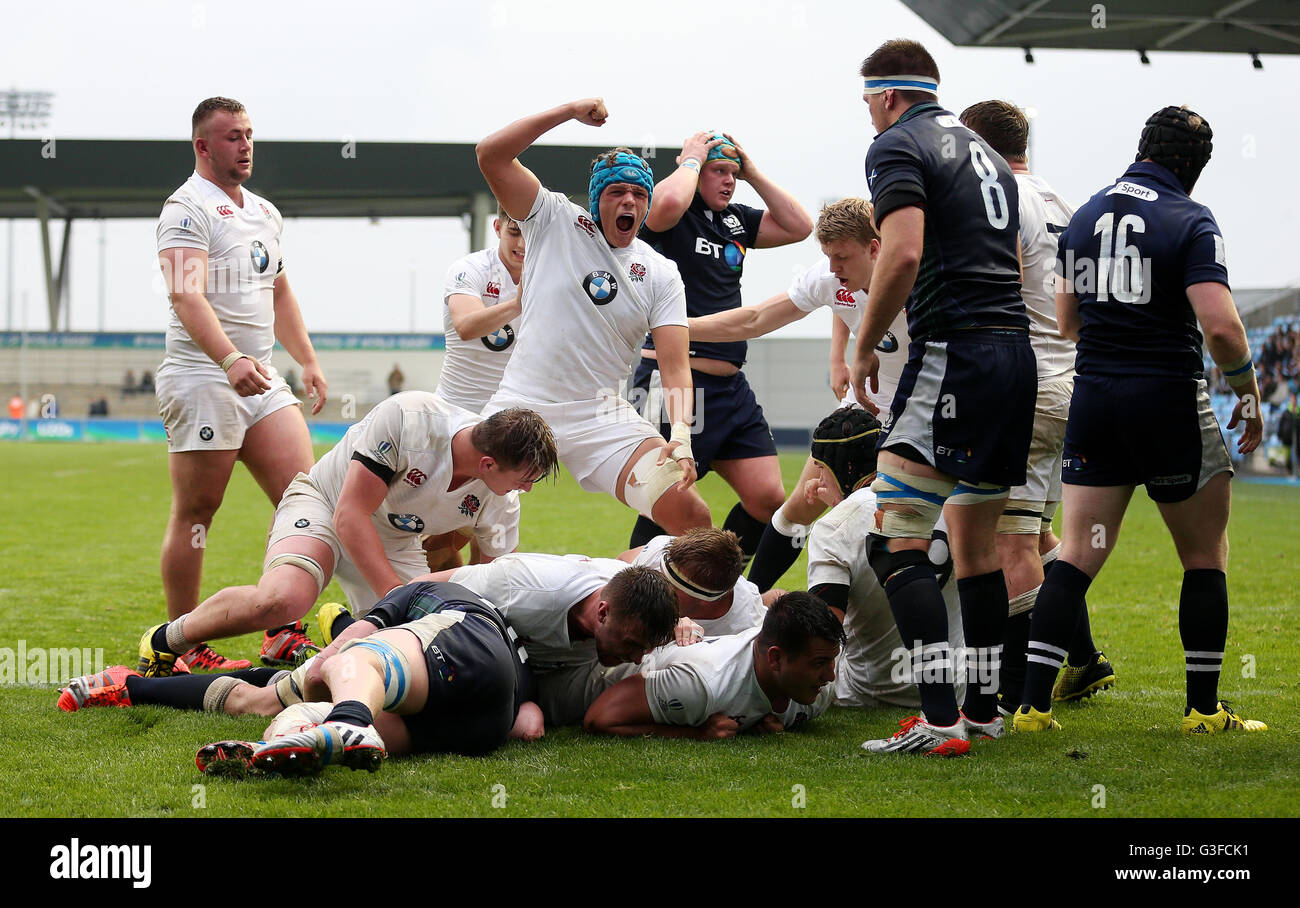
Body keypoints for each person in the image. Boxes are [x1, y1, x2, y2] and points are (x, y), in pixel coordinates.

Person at [1014, 106, 1268, 736]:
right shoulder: (1191, 219)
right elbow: (1221, 327)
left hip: (1095, 398)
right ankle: (1203, 713)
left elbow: (1068, 322)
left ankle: (1033, 708)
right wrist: (1248, 389)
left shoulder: (1082, 218)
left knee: (1074, 554)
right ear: (1193, 165)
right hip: (1168, 401)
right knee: (1204, 557)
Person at [850, 40, 1036, 756]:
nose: (868, 114)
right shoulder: (986, 151)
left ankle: (939, 719)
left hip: (954, 351)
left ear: (889, 95)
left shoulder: (897, 143)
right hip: (1011, 354)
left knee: (895, 541)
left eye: (868, 100)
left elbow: (900, 252)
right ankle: (983, 709)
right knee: (975, 547)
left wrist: (867, 343)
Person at [134, 394, 557, 677]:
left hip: (394, 537)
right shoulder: (411, 419)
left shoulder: (502, 500)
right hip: (325, 503)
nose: (527, 488)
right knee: (284, 600)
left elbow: (489, 584)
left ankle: (337, 635)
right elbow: (350, 515)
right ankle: (166, 638)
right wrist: (398, 598)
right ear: (487, 464)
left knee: (421, 649)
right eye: (525, 478)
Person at [475, 97, 712, 537]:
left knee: (692, 519)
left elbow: (676, 367)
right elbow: (491, 154)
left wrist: (681, 433)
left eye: (639, 194)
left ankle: (657, 603)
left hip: (599, 416)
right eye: (616, 192)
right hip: (520, 404)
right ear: (596, 197)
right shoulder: (554, 219)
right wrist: (568, 113)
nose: (629, 201)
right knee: (448, 521)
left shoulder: (661, 273)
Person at [155, 97, 328, 672]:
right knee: (198, 512)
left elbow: (278, 292)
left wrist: (305, 359)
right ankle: (183, 645)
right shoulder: (185, 208)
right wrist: (228, 359)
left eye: (249, 134)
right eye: (232, 137)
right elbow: (185, 295)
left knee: (303, 496)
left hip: (260, 374)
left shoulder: (265, 212)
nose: (246, 145)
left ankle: (283, 631)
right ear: (203, 146)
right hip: (205, 375)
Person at [959, 100, 1114, 707]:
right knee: (1042, 537)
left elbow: (995, 284)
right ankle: (1082, 659)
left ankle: (1022, 694)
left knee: (1011, 544)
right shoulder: (1061, 202)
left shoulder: (999, 200)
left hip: (1029, 384)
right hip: (1072, 380)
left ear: (978, 147)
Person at [63, 581, 544, 774]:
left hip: (457, 664)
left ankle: (131, 685)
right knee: (300, 710)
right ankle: (276, 747)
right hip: (481, 727)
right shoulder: (526, 660)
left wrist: (315, 670)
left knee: (331, 673)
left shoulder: (437, 594)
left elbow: (353, 639)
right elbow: (529, 724)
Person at [686, 198, 911, 591]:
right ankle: (751, 608)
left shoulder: (922, 274)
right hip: (867, 405)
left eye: (841, 256)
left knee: (911, 520)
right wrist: (675, 325)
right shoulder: (830, 276)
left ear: (875, 249)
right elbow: (755, 318)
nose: (833, 267)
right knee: (799, 508)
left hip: (925, 407)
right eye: (828, 257)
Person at [627, 131, 813, 562]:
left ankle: (723, 579)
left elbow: (799, 226)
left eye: (733, 173)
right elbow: (667, 205)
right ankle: (635, 596)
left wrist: (753, 172)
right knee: (670, 508)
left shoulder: (735, 220)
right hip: (677, 380)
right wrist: (690, 160)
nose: (728, 182)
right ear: (695, 171)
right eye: (719, 172)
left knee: (769, 501)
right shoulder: (672, 212)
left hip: (731, 388)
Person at [800, 407, 965, 717]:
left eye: (820, 468)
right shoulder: (947, 502)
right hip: (956, 685)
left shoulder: (833, 527)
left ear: (838, 468)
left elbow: (824, 631)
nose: (817, 480)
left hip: (870, 691)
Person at [583, 591, 843, 740]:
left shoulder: (818, 695)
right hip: (587, 673)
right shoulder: (701, 684)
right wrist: (695, 734)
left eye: (832, 660)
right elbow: (600, 718)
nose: (830, 676)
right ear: (774, 658)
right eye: (820, 663)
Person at [436, 203, 525, 413]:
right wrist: (517, 305)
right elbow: (466, 327)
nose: (522, 244)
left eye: (530, 234)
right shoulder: (470, 268)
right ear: (497, 228)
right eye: (513, 232)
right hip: (455, 410)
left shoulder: (549, 275)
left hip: (513, 415)